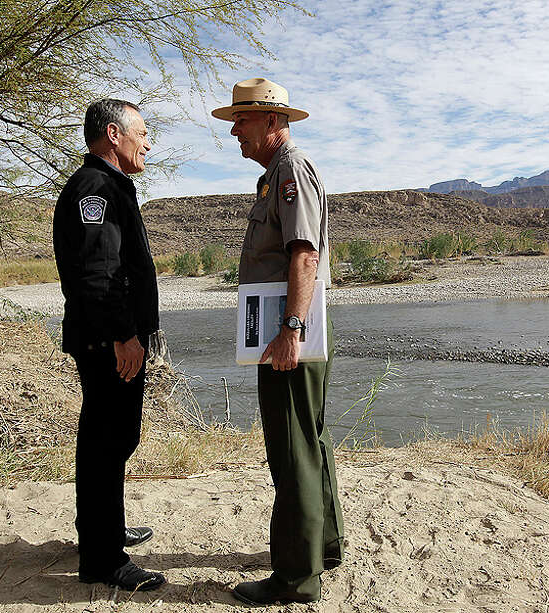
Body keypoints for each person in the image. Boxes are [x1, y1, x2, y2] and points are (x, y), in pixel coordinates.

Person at [212, 77, 344, 605]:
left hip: (288, 336)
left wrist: (290, 331)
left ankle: (295, 577)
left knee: (291, 450)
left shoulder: (290, 170)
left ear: (272, 121)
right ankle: (323, 548)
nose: (235, 131)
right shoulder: (275, 174)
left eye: (241, 120)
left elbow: (304, 255)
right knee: (308, 441)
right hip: (287, 333)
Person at [52, 98, 165, 592]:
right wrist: (123, 335)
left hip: (108, 337)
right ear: (113, 135)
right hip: (106, 341)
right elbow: (100, 274)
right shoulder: (95, 189)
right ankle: (103, 559)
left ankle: (103, 533)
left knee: (113, 439)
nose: (147, 142)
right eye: (141, 132)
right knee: (105, 441)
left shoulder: (109, 186)